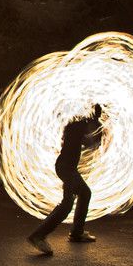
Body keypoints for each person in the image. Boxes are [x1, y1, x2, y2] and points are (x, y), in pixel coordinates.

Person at [26, 104, 101, 254]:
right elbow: (90, 143)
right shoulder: (77, 125)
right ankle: (38, 236)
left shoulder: (76, 124)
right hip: (66, 168)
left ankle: (77, 233)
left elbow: (88, 142)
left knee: (85, 193)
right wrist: (98, 125)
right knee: (67, 203)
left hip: (67, 167)